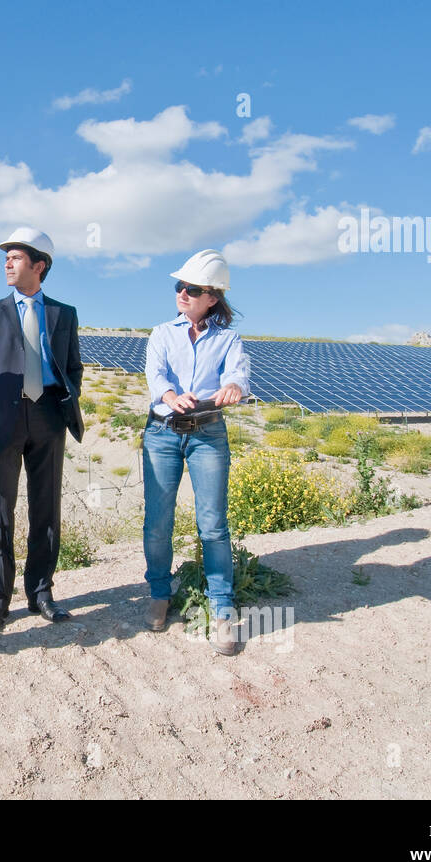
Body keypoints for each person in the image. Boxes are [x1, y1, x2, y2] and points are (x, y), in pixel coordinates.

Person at [0, 227, 84, 632]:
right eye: (6, 258)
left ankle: (41, 593)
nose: (7, 264)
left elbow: (72, 367)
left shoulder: (63, 314)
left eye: (15, 258)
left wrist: (67, 401)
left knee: (46, 509)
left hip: (49, 416)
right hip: (0, 421)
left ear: (39, 265)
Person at [141, 248, 250, 655]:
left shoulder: (228, 339)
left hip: (208, 433)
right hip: (163, 432)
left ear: (213, 298)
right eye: (179, 286)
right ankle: (159, 593)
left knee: (213, 523)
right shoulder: (161, 333)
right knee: (158, 519)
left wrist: (234, 387)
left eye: (192, 288)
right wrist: (169, 394)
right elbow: (155, 375)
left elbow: (237, 374)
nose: (182, 292)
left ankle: (222, 607)